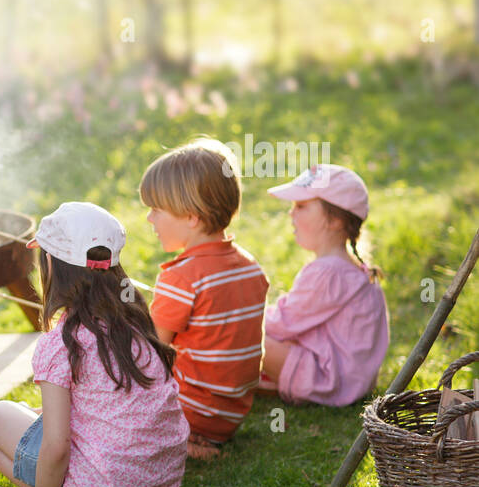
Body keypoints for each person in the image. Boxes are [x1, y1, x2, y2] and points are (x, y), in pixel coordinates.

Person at [0, 203, 188, 487]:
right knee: (43, 417)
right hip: (161, 482)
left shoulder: (61, 342)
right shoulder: (134, 319)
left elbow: (57, 447)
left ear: (49, 263)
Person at [141, 138, 270, 459]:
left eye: (156, 210)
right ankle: (198, 441)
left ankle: (182, 443)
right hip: (230, 413)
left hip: (191, 412)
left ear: (191, 217)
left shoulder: (181, 276)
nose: (149, 220)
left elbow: (149, 352)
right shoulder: (249, 266)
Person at [260, 165, 389, 405]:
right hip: (352, 381)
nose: (291, 214)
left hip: (331, 382)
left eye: (301, 206)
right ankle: (259, 380)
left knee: (247, 336)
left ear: (336, 221)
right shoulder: (353, 269)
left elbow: (281, 324)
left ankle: (231, 380)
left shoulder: (328, 272)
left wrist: (238, 316)